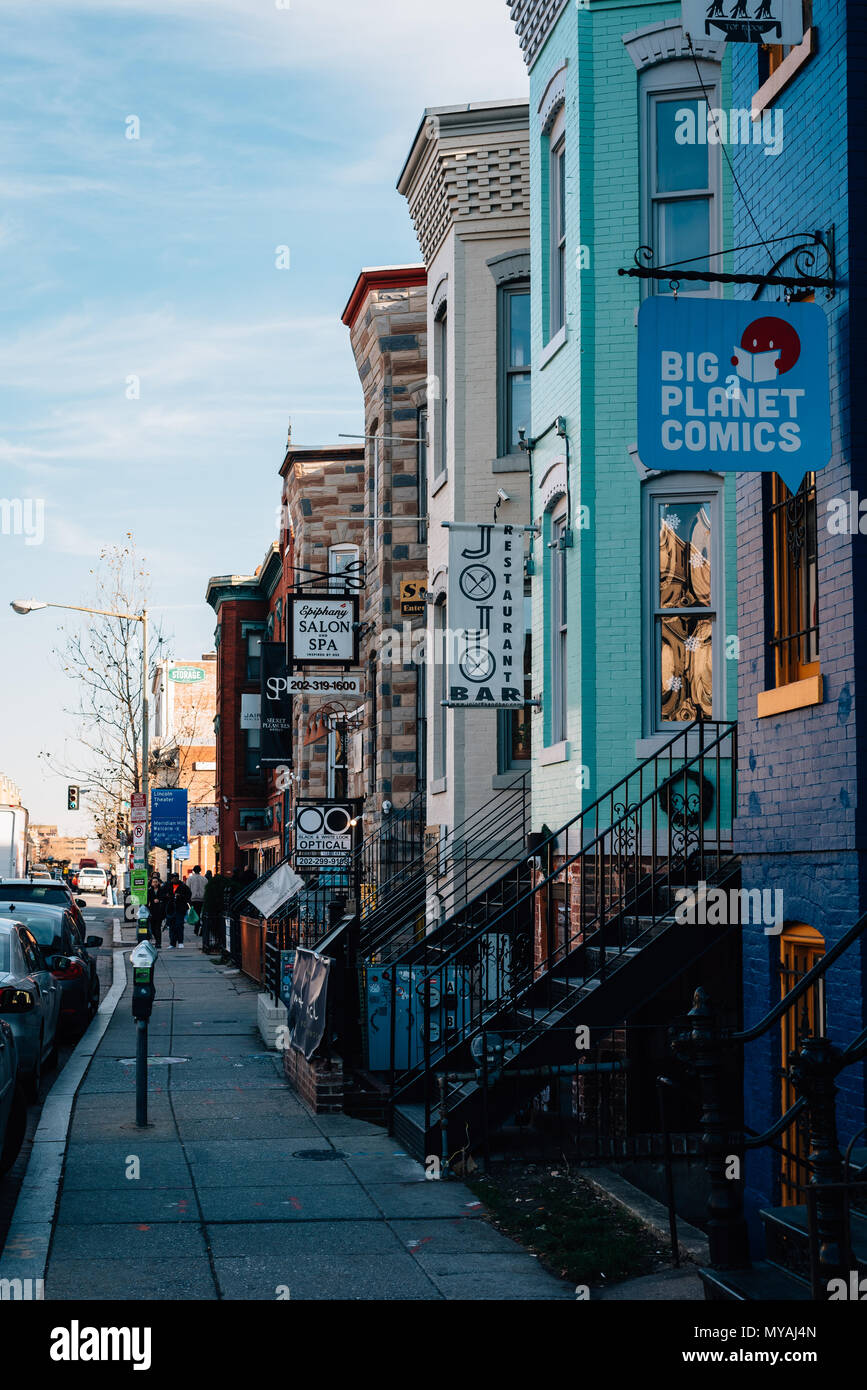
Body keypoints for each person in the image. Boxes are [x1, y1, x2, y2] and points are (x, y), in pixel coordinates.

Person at [171, 873, 192, 949]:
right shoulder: (168, 886)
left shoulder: (183, 886)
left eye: (176, 877)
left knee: (179, 925)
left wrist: (181, 896)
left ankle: (180, 942)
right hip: (171, 909)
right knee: (172, 926)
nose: (175, 879)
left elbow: (188, 895)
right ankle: (172, 943)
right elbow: (163, 895)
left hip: (180, 908)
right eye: (173, 877)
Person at [187, 864, 206, 934]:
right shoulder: (204, 879)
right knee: (200, 913)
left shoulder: (190, 879)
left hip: (193, 899)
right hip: (202, 899)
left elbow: (187, 889)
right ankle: (198, 927)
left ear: (193, 871)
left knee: (195, 913)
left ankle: (197, 927)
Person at [147, 873, 165, 948]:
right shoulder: (149, 891)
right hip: (152, 911)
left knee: (157, 928)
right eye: (153, 882)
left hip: (159, 912)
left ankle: (158, 942)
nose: (155, 883)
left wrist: (159, 900)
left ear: (158, 883)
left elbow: (164, 899)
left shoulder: (161, 890)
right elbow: (147, 901)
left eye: (156, 882)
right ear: (151, 883)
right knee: (153, 928)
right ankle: (157, 939)